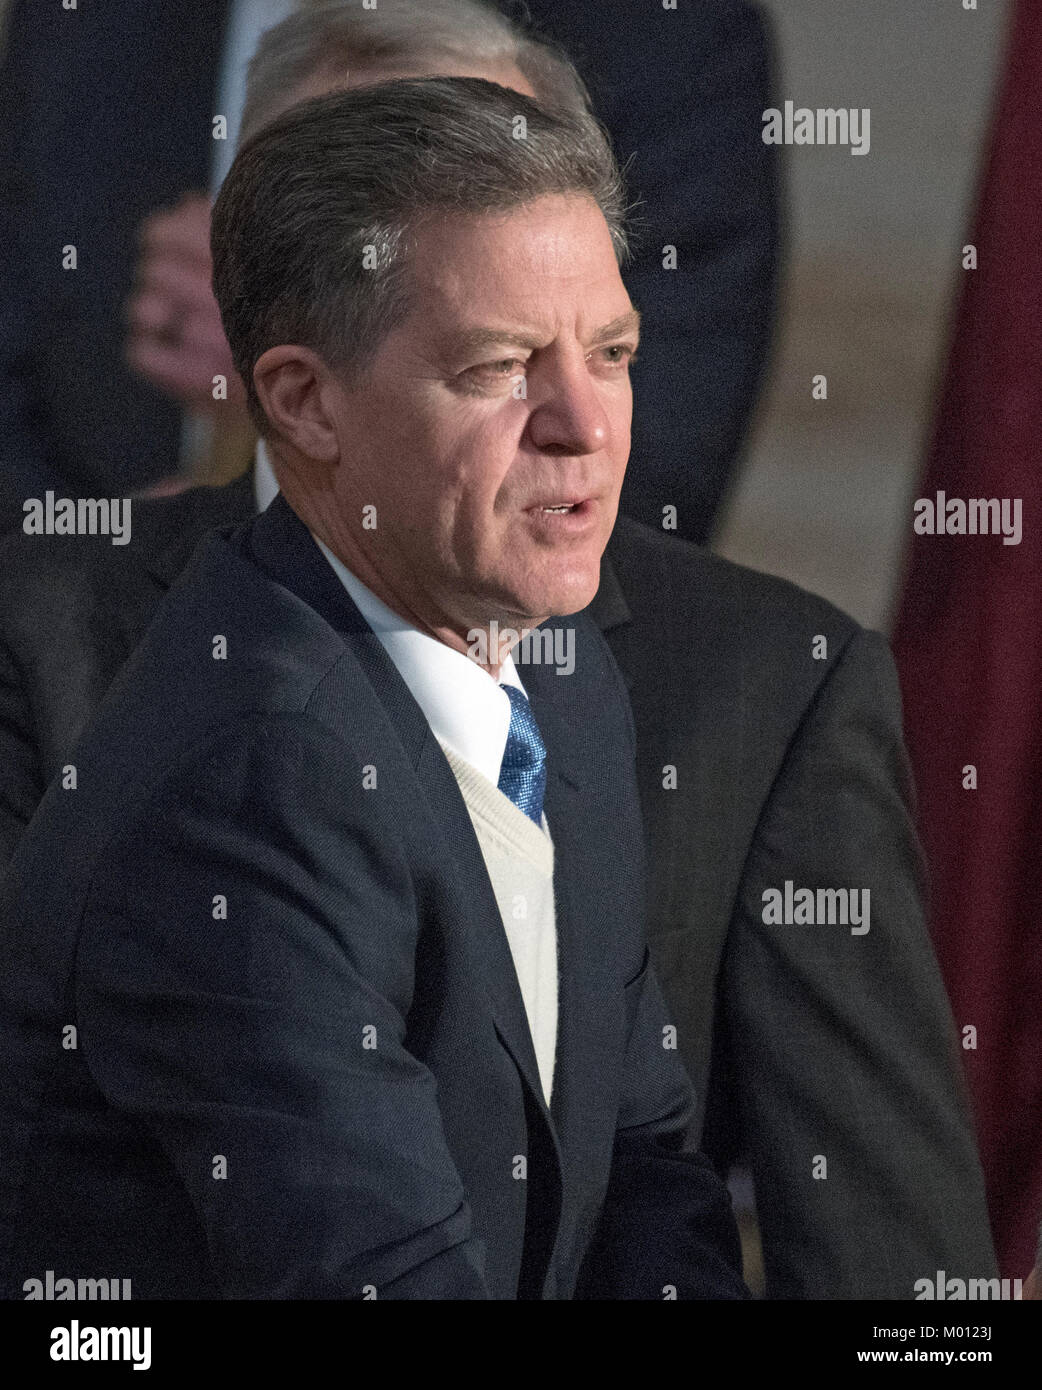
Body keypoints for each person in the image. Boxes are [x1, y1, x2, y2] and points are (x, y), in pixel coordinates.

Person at [0, 1, 997, 1298]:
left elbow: (672, 1193)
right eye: (497, 361)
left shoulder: (569, 696)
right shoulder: (228, 736)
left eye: (613, 351)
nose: (582, 422)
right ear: (293, 367)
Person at [0, 0, 779, 542]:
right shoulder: (79, 21)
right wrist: (112, 567)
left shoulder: (671, 37)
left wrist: (307, 335)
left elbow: (654, 463)